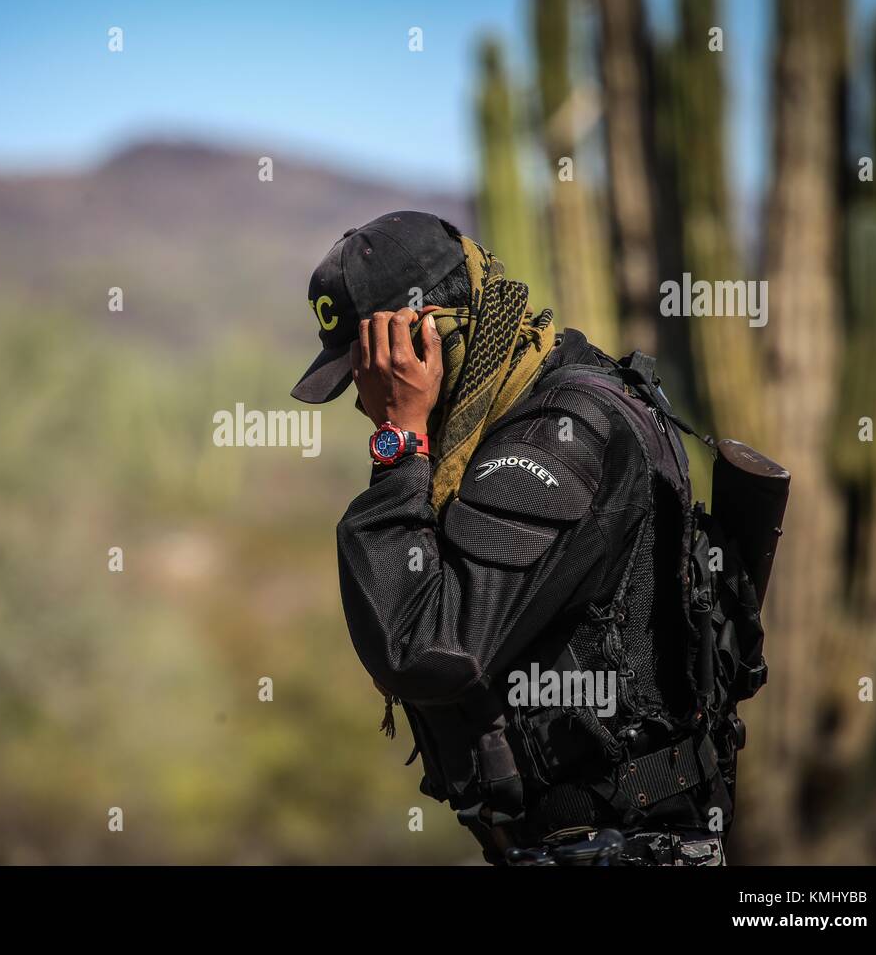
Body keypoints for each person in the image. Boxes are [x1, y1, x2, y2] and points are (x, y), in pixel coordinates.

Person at [291, 210, 729, 865]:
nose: (365, 395)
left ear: (428, 342)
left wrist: (399, 442)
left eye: (373, 367)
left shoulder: (560, 438)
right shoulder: (517, 419)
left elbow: (426, 647)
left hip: (626, 845)